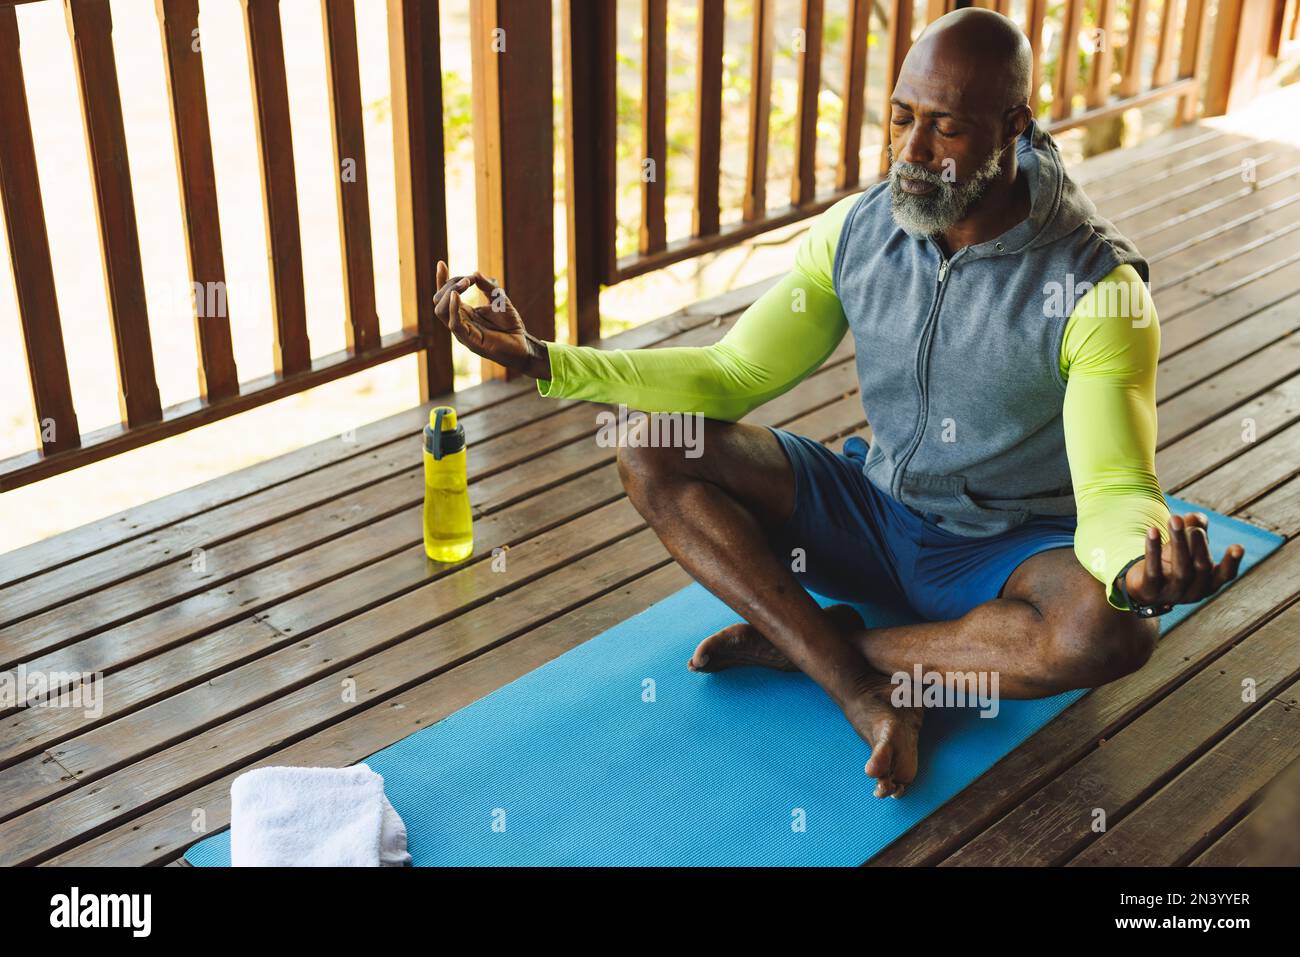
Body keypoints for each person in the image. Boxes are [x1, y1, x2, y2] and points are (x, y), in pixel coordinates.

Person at [433, 8, 1245, 799]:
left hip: (1006, 554)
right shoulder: (860, 230)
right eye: (900, 119)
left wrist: (1134, 565)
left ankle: (813, 646)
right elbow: (732, 374)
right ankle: (859, 683)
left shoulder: (1098, 290)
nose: (912, 153)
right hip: (873, 507)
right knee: (652, 444)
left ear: (1015, 128)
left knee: (1111, 632)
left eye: (947, 129)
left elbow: (1112, 490)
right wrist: (545, 359)